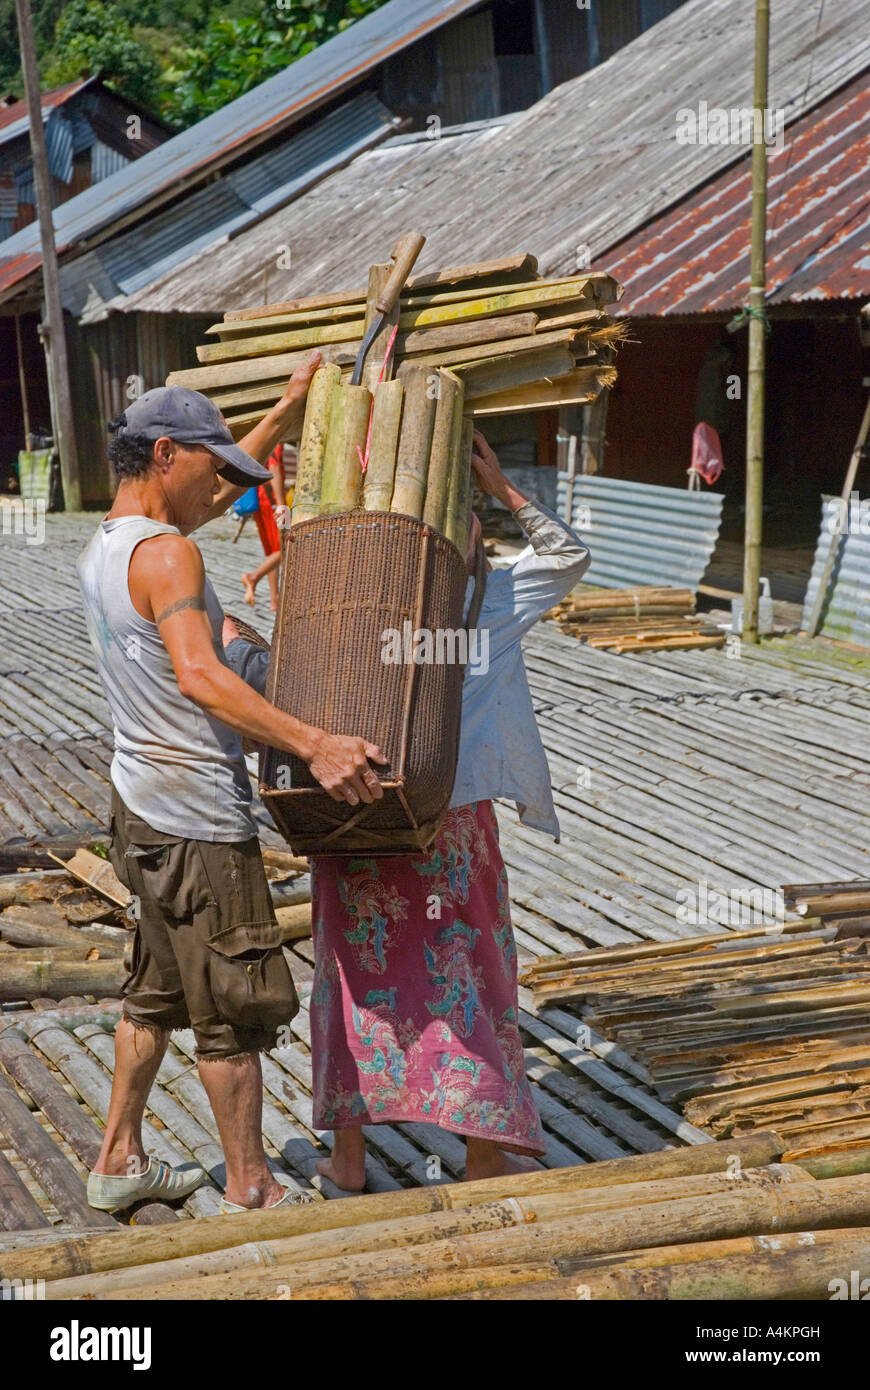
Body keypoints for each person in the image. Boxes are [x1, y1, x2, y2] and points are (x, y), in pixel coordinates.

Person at [224, 430, 590, 1187]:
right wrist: (504, 487)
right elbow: (566, 557)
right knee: (471, 982)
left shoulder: (342, 609)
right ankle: (481, 1150)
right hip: (448, 829)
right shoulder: (483, 609)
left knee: (355, 986)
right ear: (464, 537)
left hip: (348, 813)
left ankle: (350, 1158)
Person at [78, 353, 386, 1216]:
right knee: (231, 1009)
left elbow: (207, 502)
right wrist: (316, 743)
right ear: (167, 453)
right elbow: (201, 679)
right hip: (198, 819)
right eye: (212, 467)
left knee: (157, 990)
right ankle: (252, 1187)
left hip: (137, 809)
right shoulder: (169, 555)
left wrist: (285, 413)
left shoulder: (110, 543)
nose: (225, 490)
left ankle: (117, 1159)